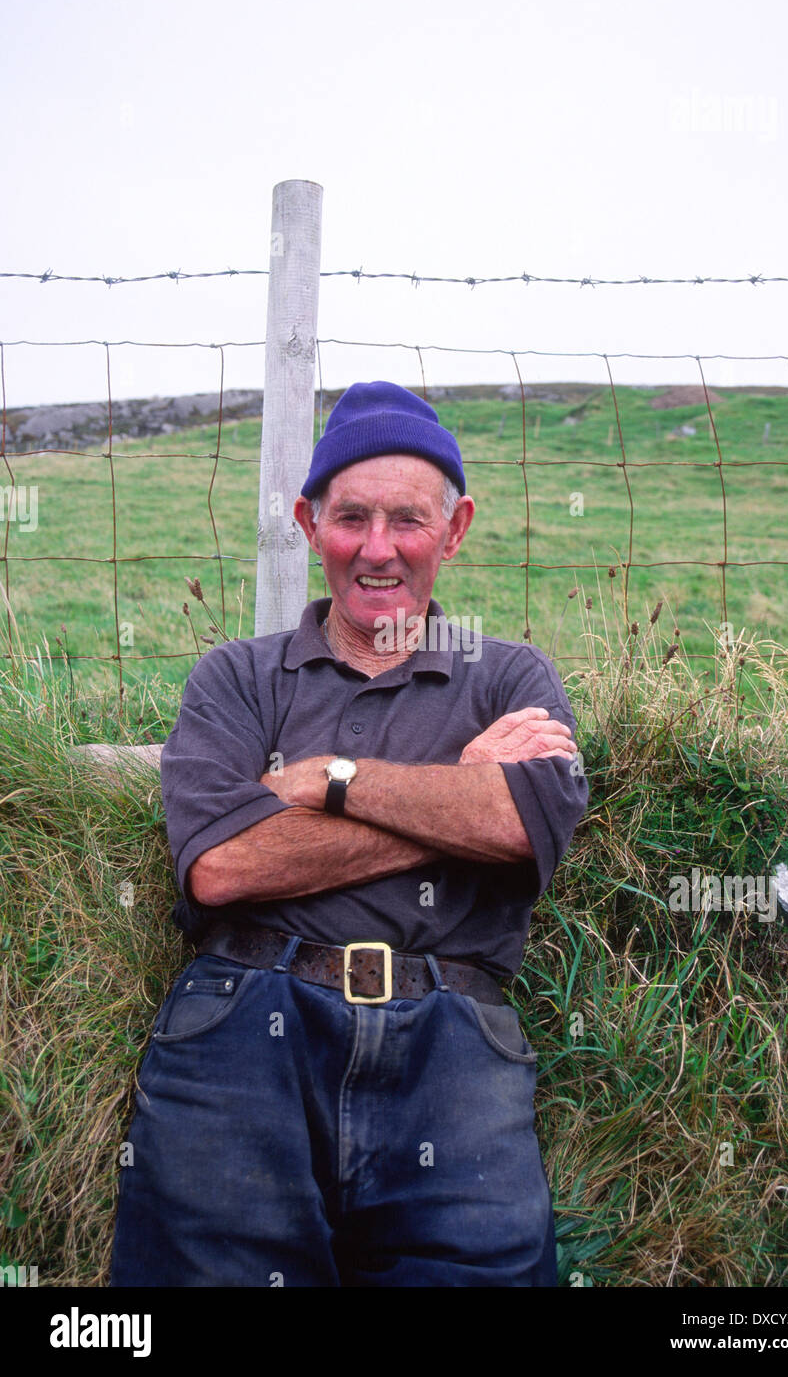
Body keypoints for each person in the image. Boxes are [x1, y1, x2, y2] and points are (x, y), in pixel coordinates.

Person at [110, 380, 589, 1287]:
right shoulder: (238, 680)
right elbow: (220, 869)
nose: (378, 551)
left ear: (454, 530)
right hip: (245, 1021)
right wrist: (462, 794)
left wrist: (328, 782)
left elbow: (528, 829)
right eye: (350, 518)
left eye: (407, 520)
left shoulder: (512, 673)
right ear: (307, 521)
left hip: (453, 1042)